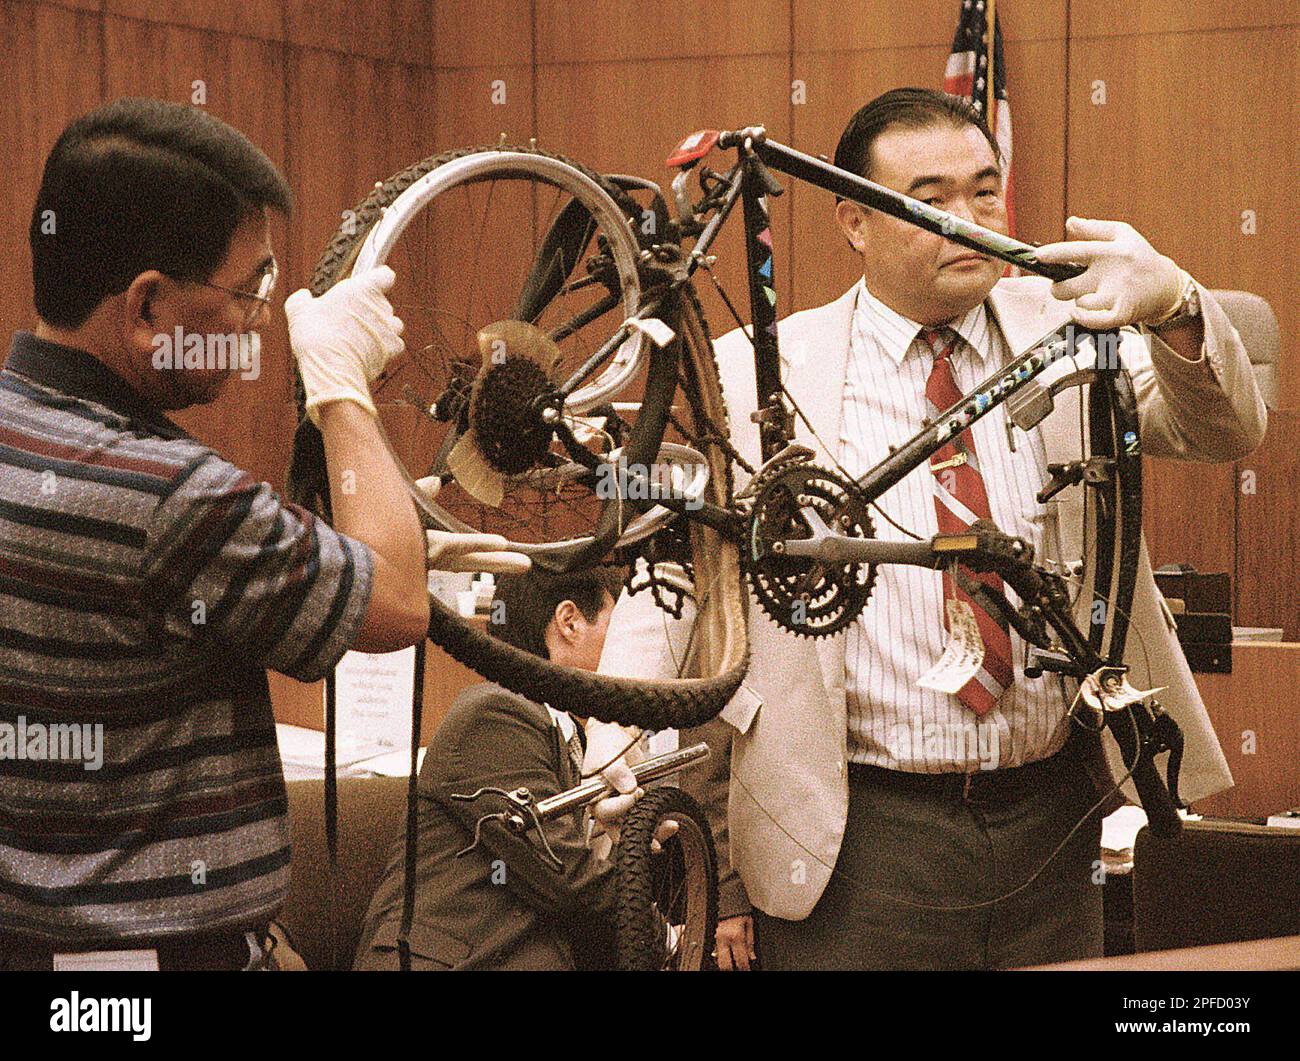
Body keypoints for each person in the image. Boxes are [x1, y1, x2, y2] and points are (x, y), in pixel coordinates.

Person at [594, 87, 1267, 970]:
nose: (965, 219)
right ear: (854, 224)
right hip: (852, 837)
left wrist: (1176, 304)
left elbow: (1223, 430)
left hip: (1052, 822)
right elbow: (673, 599)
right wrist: (623, 759)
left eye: (985, 192)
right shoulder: (760, 372)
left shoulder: (1074, 327)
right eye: (929, 198)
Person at [0, 98, 525, 971]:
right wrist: (339, 383)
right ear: (146, 309)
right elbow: (396, 606)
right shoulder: (170, 495)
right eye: (249, 291)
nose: (257, 324)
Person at [354, 566, 671, 971]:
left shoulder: (563, 725)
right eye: (619, 629)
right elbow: (564, 875)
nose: (627, 652)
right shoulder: (495, 712)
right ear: (569, 622)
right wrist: (670, 934)